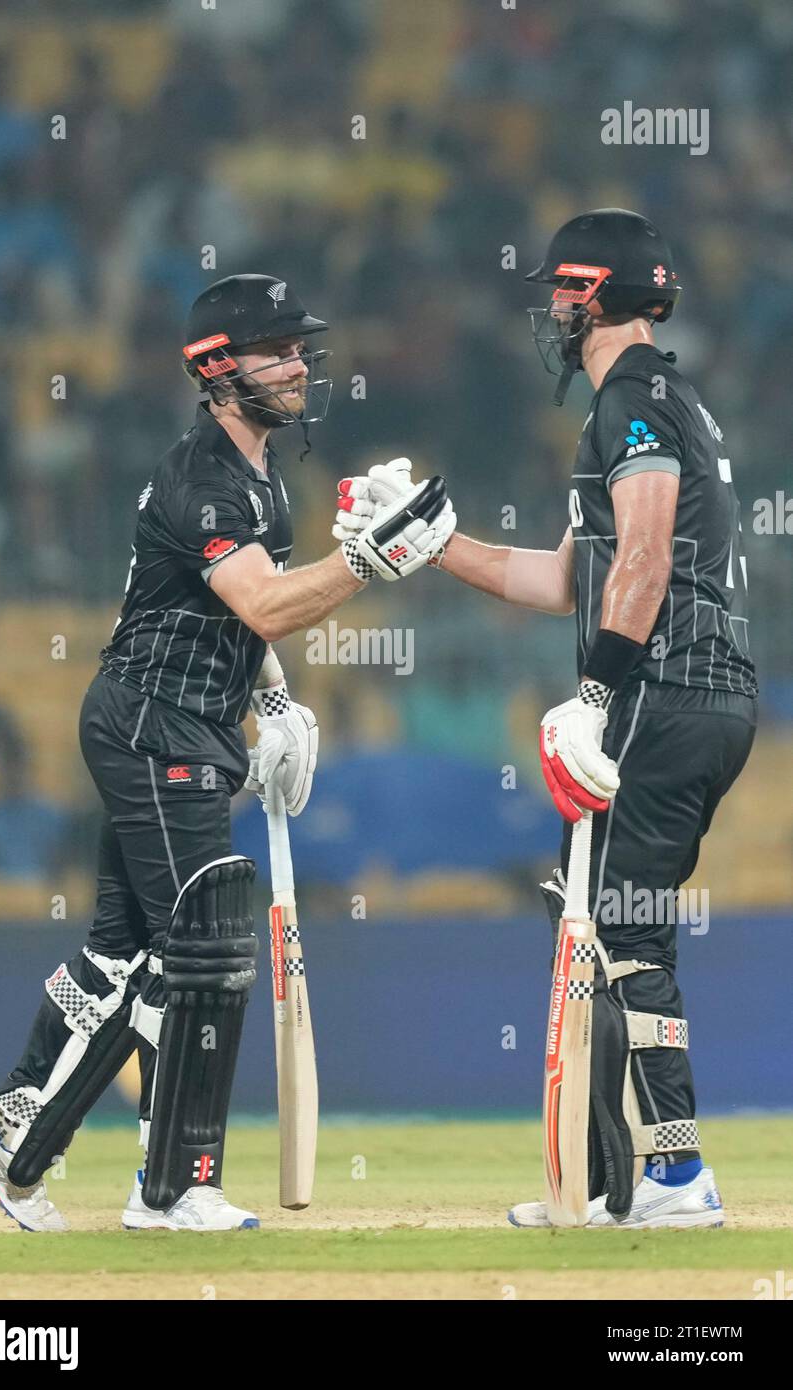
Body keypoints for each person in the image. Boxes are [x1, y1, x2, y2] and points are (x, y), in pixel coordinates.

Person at [0, 273, 455, 1232]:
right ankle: (175, 1185)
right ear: (219, 369)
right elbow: (265, 602)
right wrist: (371, 562)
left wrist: (280, 705)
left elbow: (245, 625)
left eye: (301, 348)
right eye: (279, 349)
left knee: (125, 955)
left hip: (184, 725)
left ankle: (11, 1133)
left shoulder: (260, 479)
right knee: (208, 936)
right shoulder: (204, 476)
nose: (300, 364)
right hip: (154, 721)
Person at [335, 210, 757, 1229]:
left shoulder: (634, 393)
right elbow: (567, 578)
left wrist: (599, 693)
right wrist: (436, 544)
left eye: (562, 295)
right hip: (697, 689)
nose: (552, 315)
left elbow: (647, 556)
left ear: (594, 296)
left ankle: (669, 1177)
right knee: (614, 922)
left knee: (616, 924)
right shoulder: (650, 400)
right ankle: (620, 1182)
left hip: (665, 684)